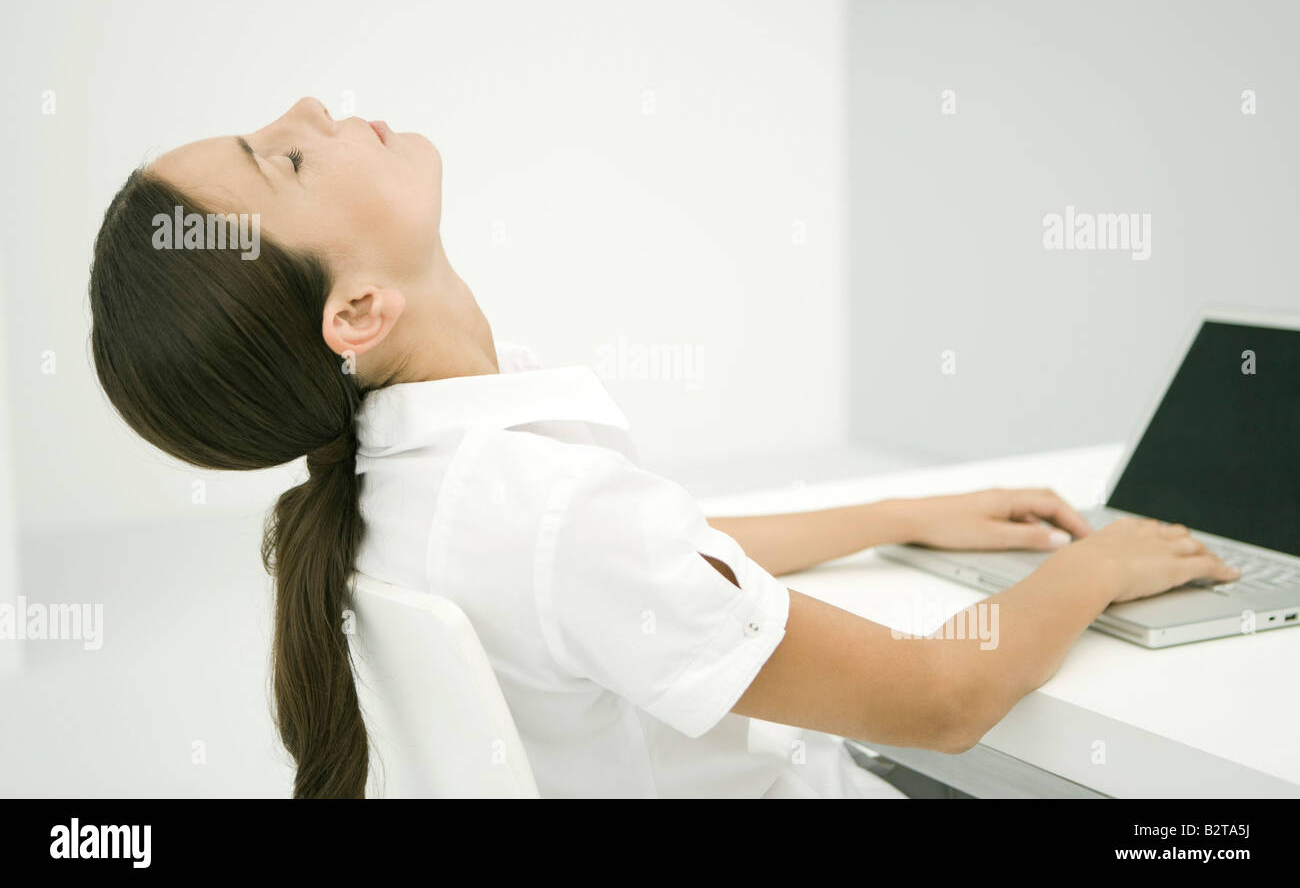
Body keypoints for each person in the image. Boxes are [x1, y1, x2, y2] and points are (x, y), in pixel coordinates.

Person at [87, 97, 1239, 798]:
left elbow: (643, 565)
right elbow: (943, 702)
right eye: (282, 160)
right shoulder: (548, 510)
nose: (306, 110)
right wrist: (1098, 563)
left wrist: (899, 515)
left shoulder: (415, 483)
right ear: (355, 315)